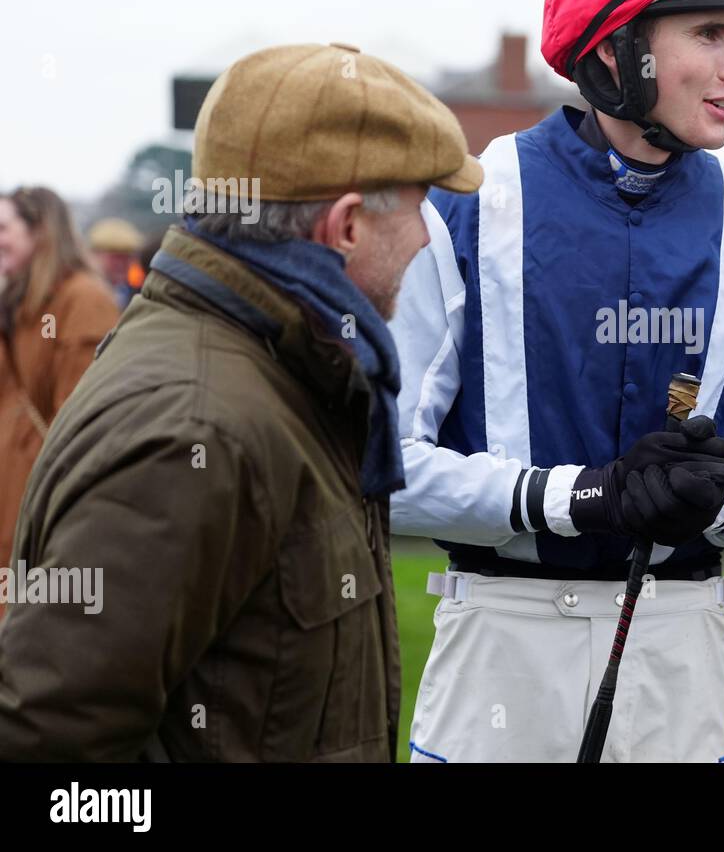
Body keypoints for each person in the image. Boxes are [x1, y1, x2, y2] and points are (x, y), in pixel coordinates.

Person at [390, 0, 724, 762]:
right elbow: (383, 467)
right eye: (710, 33)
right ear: (614, 47)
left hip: (683, 664)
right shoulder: (467, 207)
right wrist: (576, 497)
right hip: (501, 658)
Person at [0, 43, 482, 760]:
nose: (423, 237)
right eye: (419, 207)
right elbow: (49, 741)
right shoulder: (198, 430)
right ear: (346, 225)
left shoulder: (279, 372)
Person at [0, 186, 119, 610]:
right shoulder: (18, 298)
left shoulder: (83, 300)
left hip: (41, 502)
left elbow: (84, 427)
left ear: (41, 233)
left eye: (4, 228)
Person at [86, 216, 145, 309]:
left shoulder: (139, 294)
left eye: (127, 257)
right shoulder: (83, 292)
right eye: (116, 257)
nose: (122, 263)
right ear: (94, 254)